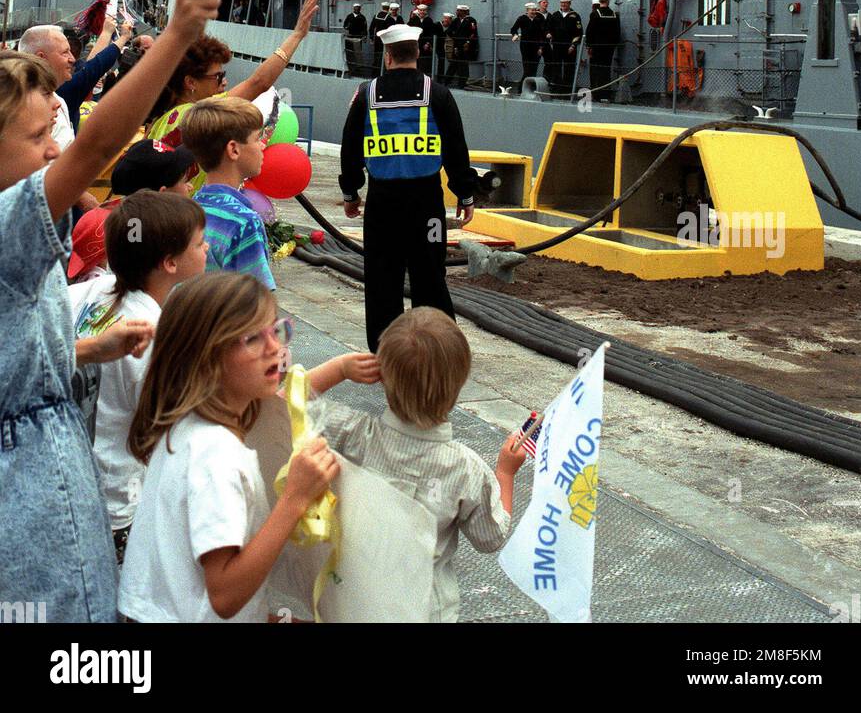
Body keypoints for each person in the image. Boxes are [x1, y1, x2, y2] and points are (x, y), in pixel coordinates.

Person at [0, 0, 224, 622]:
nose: (51, 151)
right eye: (39, 136)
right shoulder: (8, 227)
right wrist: (179, 37)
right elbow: (94, 150)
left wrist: (88, 352)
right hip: (30, 504)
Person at [118, 273, 350, 623]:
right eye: (252, 338)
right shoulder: (216, 455)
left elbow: (188, 585)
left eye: (276, 330)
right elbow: (224, 595)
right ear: (206, 358)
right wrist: (295, 498)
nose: (274, 348)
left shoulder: (186, 424)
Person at [321, 307, 525, 623]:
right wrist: (505, 473)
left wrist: (338, 368)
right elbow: (490, 536)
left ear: (380, 376)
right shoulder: (465, 469)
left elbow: (285, 405)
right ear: (458, 386)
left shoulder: (354, 434)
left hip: (352, 598)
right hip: (426, 610)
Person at [70, 191, 208, 563]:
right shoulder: (152, 335)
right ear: (169, 263)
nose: (207, 247)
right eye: (199, 242)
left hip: (80, 473)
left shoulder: (91, 291)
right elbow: (166, 426)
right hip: (118, 497)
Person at [339, 24, 477, 351]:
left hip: (382, 205)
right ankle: (439, 348)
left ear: (387, 56)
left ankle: (386, 352)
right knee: (429, 277)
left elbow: (350, 149)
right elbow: (456, 149)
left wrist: (350, 193)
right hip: (427, 204)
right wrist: (466, 193)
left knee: (382, 281)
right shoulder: (439, 95)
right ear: (419, 53)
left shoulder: (366, 95)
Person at [146, 0, 318, 146]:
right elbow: (258, 83)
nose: (224, 81)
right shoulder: (197, 116)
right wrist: (297, 35)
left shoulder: (158, 122)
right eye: (218, 76)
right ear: (190, 82)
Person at [68, 137, 197, 280]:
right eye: (184, 181)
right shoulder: (141, 235)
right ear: (163, 194)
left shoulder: (123, 219)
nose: (190, 187)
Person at [181, 98, 274, 291]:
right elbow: (257, 302)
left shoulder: (190, 209)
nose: (263, 146)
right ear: (233, 149)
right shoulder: (244, 222)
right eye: (257, 138)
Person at [18, 19, 135, 145]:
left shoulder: (59, 98)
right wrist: (121, 37)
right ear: (41, 58)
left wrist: (108, 33)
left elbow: (90, 67)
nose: (72, 59)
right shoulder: (18, 105)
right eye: (65, 52)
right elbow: (94, 68)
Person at [585, 0, 622, 101]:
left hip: (596, 47)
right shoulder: (614, 14)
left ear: (600, 1)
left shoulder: (595, 14)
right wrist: (613, 44)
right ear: (608, 1)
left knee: (595, 70)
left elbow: (590, 31)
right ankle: (605, 94)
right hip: (609, 48)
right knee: (606, 70)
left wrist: (589, 46)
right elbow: (617, 32)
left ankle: (595, 94)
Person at [548, 0, 584, 93]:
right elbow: (550, 28)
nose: (563, 5)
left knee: (569, 68)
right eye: (562, 3)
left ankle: (567, 90)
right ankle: (556, 89)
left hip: (569, 47)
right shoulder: (555, 15)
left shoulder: (575, 16)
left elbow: (579, 32)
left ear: (569, 4)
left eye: (565, 3)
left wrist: (573, 45)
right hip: (557, 46)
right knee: (556, 67)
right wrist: (549, 34)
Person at [510, 2, 546, 87]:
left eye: (534, 10)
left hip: (536, 47)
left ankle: (531, 88)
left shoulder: (539, 20)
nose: (533, 12)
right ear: (527, 10)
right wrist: (515, 35)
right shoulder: (522, 19)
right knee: (527, 69)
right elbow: (513, 29)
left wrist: (541, 47)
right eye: (531, 10)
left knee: (534, 69)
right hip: (525, 47)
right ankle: (521, 88)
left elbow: (542, 34)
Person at [446, 4, 477, 89]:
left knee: (463, 65)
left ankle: (462, 83)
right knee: (453, 64)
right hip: (457, 46)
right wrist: (454, 36)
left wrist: (468, 42)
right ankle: (447, 81)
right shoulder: (456, 21)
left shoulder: (471, 20)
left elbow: (473, 33)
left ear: (463, 12)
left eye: (458, 10)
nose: (456, 12)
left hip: (465, 46)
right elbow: (448, 31)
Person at [343, 2, 368, 76]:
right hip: (350, 36)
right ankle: (350, 65)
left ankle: (358, 66)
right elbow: (345, 25)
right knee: (350, 51)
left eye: (358, 8)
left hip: (358, 37)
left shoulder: (362, 17)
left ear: (360, 9)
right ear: (353, 8)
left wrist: (365, 36)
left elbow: (365, 27)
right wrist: (347, 27)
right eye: (356, 8)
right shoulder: (349, 16)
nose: (357, 9)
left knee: (358, 52)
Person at [369, 1, 391, 75]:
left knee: (376, 55)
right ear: (388, 8)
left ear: (382, 7)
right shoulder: (389, 17)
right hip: (385, 39)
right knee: (385, 55)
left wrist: (372, 38)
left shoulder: (376, 15)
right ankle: (383, 72)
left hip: (377, 39)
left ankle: (375, 72)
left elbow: (371, 28)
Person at [435, 11, 452, 81]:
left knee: (441, 62)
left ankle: (440, 78)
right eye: (447, 20)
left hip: (441, 47)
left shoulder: (448, 28)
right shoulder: (437, 25)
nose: (448, 23)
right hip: (435, 45)